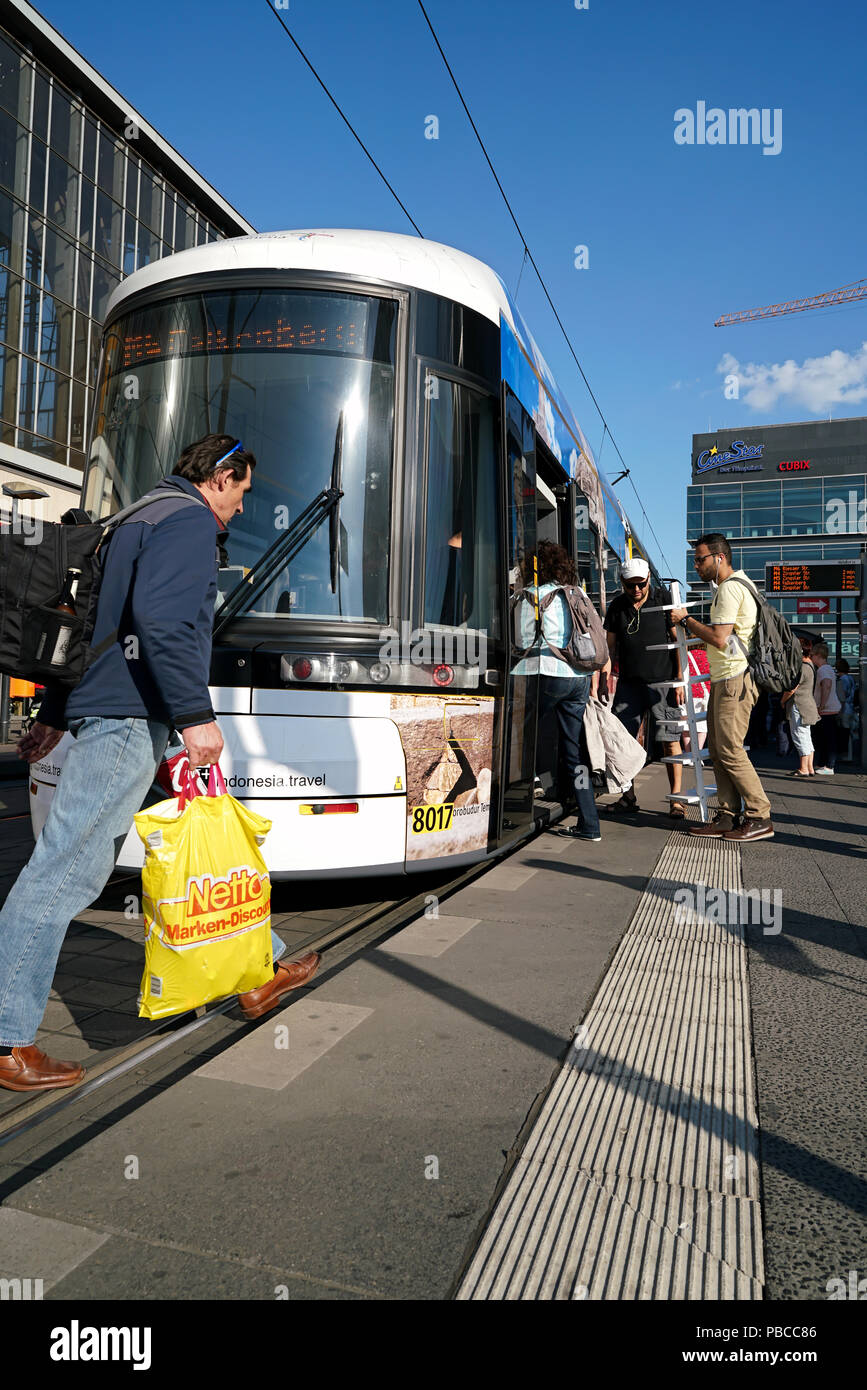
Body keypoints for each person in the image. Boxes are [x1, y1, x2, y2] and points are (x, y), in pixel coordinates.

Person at [0, 435, 320, 1093]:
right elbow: (163, 624)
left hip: (132, 711)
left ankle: (260, 969)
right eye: (241, 493)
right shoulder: (186, 522)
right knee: (63, 872)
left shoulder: (133, 517)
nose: (237, 509)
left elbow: (85, 625)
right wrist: (197, 717)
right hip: (130, 716)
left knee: (207, 840)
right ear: (222, 478)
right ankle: (9, 1040)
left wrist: (54, 714)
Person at [670, 534, 774, 841]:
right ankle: (728, 815)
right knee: (716, 749)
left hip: (735, 679)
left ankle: (759, 815)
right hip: (726, 676)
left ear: (719, 558)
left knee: (728, 749)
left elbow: (719, 637)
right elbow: (729, 640)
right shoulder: (738, 586)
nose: (696, 565)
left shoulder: (729, 590)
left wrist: (686, 620)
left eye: (700, 559)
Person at [516, 541, 603, 841]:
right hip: (577, 677)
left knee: (517, 739)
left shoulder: (530, 596)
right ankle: (589, 824)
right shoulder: (575, 593)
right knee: (572, 751)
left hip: (545, 673)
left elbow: (522, 639)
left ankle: (510, 806)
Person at [600, 557, 685, 817]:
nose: (636, 590)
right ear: (622, 583)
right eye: (630, 586)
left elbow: (678, 641)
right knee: (624, 742)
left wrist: (680, 679)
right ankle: (628, 797)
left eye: (641, 584)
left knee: (670, 741)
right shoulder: (617, 606)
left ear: (648, 578)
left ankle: (677, 800)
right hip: (629, 684)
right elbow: (608, 647)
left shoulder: (663, 600)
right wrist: (604, 679)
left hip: (663, 683)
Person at [781, 658, 818, 777]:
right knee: (806, 736)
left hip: (798, 704)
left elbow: (792, 688)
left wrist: (782, 701)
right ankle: (810, 767)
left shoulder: (801, 668)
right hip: (808, 703)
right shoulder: (811, 666)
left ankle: (803, 768)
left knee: (799, 735)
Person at [811, 641, 841, 774]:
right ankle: (823, 764)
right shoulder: (827, 669)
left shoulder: (823, 670)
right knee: (825, 738)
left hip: (827, 709)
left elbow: (826, 686)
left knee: (827, 738)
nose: (811, 658)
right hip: (828, 708)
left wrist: (821, 705)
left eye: (812, 655)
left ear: (818, 655)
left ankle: (829, 766)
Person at [835, 658, 856, 764]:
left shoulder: (841, 680)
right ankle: (849, 755)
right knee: (848, 733)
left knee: (844, 732)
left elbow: (842, 696)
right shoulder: (850, 678)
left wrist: (839, 711)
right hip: (850, 708)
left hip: (844, 709)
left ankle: (845, 755)